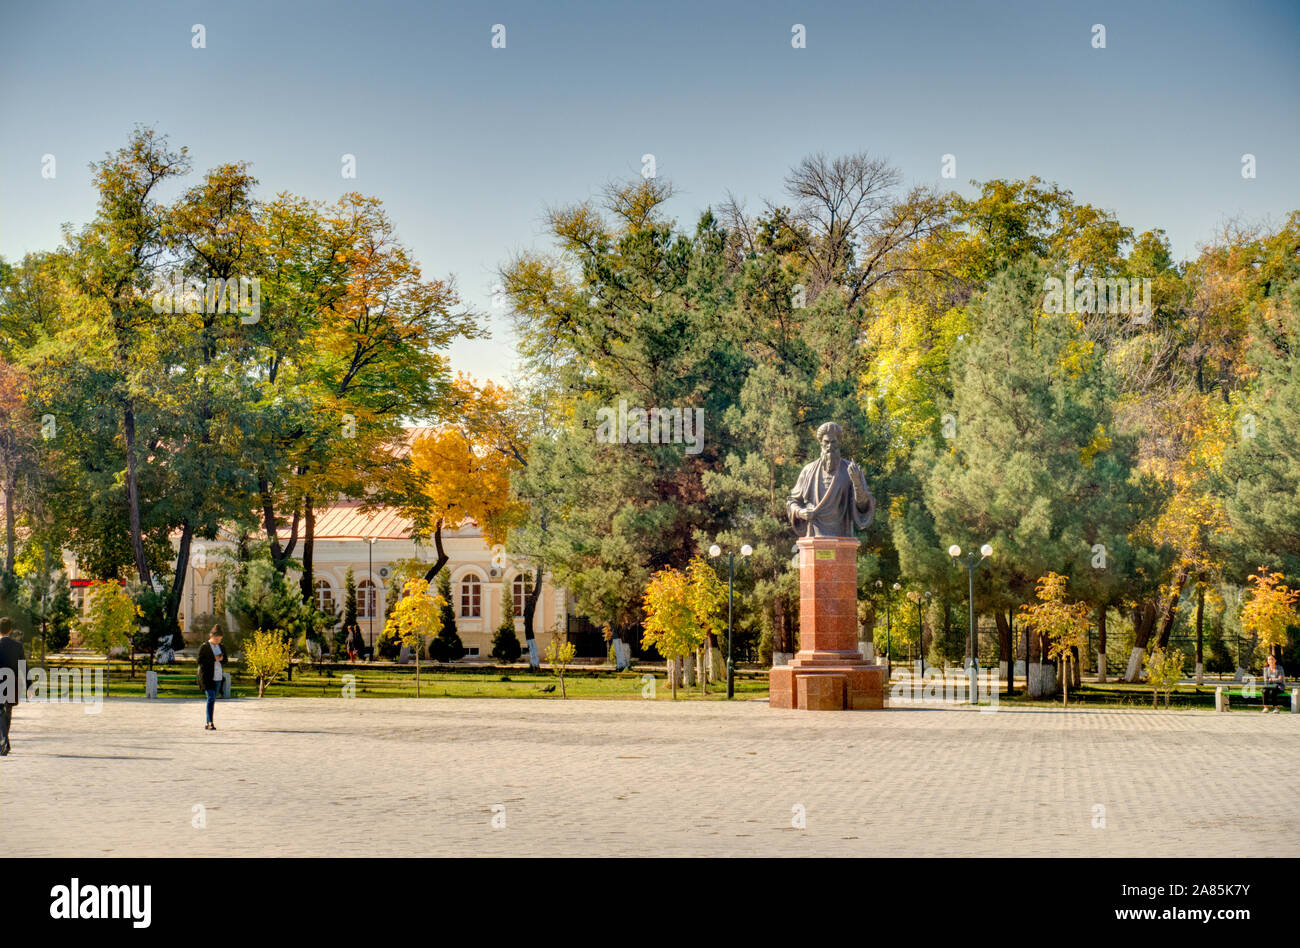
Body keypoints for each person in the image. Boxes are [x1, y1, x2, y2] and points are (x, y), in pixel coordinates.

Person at [0, 617, 26, 756]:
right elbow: (23, 667)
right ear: (10, 630)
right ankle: (4, 741)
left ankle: (4, 741)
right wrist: (29, 686)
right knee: (7, 712)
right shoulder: (18, 646)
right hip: (11, 683)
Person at [196, 626, 226, 730]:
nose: (218, 641)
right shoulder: (204, 646)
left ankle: (208, 721)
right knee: (211, 697)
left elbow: (225, 660)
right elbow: (200, 660)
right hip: (207, 676)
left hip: (217, 676)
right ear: (211, 636)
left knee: (213, 698)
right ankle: (210, 722)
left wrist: (221, 659)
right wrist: (213, 659)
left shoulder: (221, 647)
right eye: (216, 639)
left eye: (220, 639)